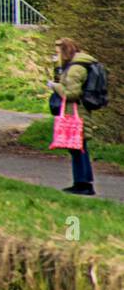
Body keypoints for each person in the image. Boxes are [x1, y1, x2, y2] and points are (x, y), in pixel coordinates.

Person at [49, 38, 96, 195]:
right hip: (77, 110)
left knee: (79, 148)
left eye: (58, 52)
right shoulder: (79, 65)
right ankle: (81, 182)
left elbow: (72, 93)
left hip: (76, 111)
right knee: (78, 148)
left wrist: (55, 86)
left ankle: (83, 183)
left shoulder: (75, 68)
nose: (57, 56)